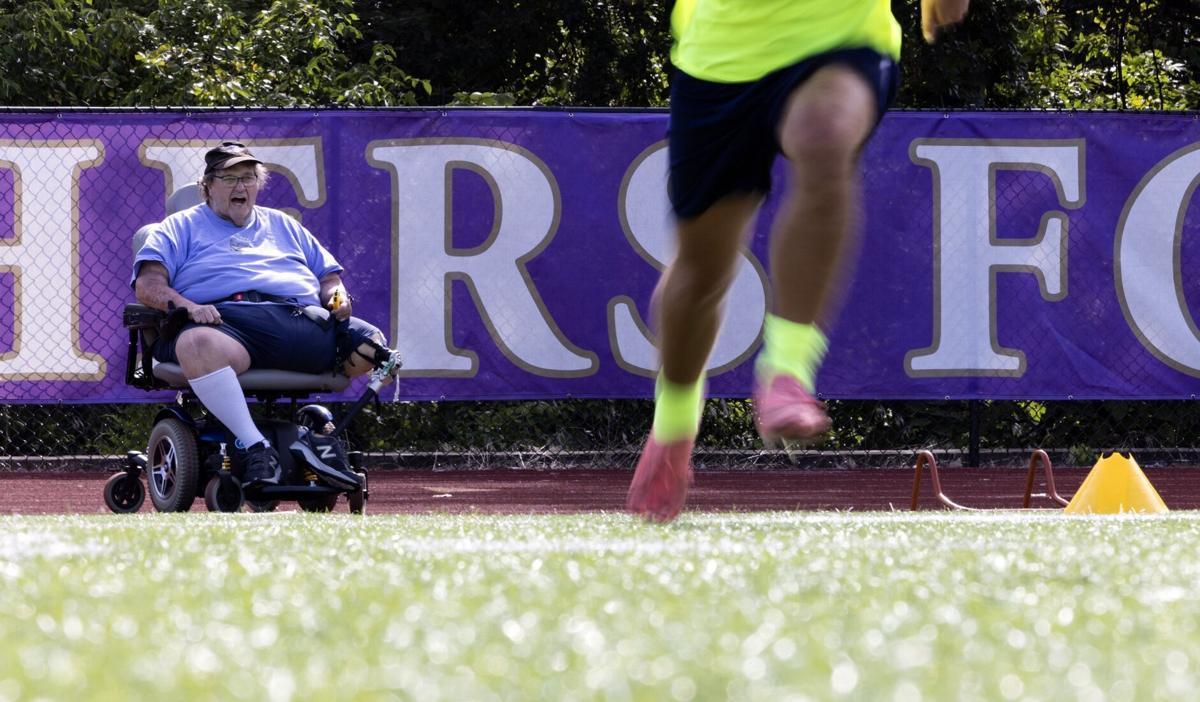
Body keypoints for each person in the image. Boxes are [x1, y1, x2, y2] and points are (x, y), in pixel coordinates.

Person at [626, 0, 971, 522]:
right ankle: (673, 425)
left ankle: (787, 368)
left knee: (825, 134)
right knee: (703, 271)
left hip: (839, 34)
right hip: (721, 56)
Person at [132, 141, 389, 486]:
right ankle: (257, 447)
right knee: (196, 344)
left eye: (248, 178)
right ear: (206, 186)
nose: (241, 186)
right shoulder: (177, 227)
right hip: (228, 326)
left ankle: (321, 444)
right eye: (229, 178)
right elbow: (148, 285)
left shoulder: (284, 224)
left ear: (258, 184)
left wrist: (338, 297)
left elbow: (330, 279)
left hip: (299, 322)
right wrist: (190, 307)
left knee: (376, 346)